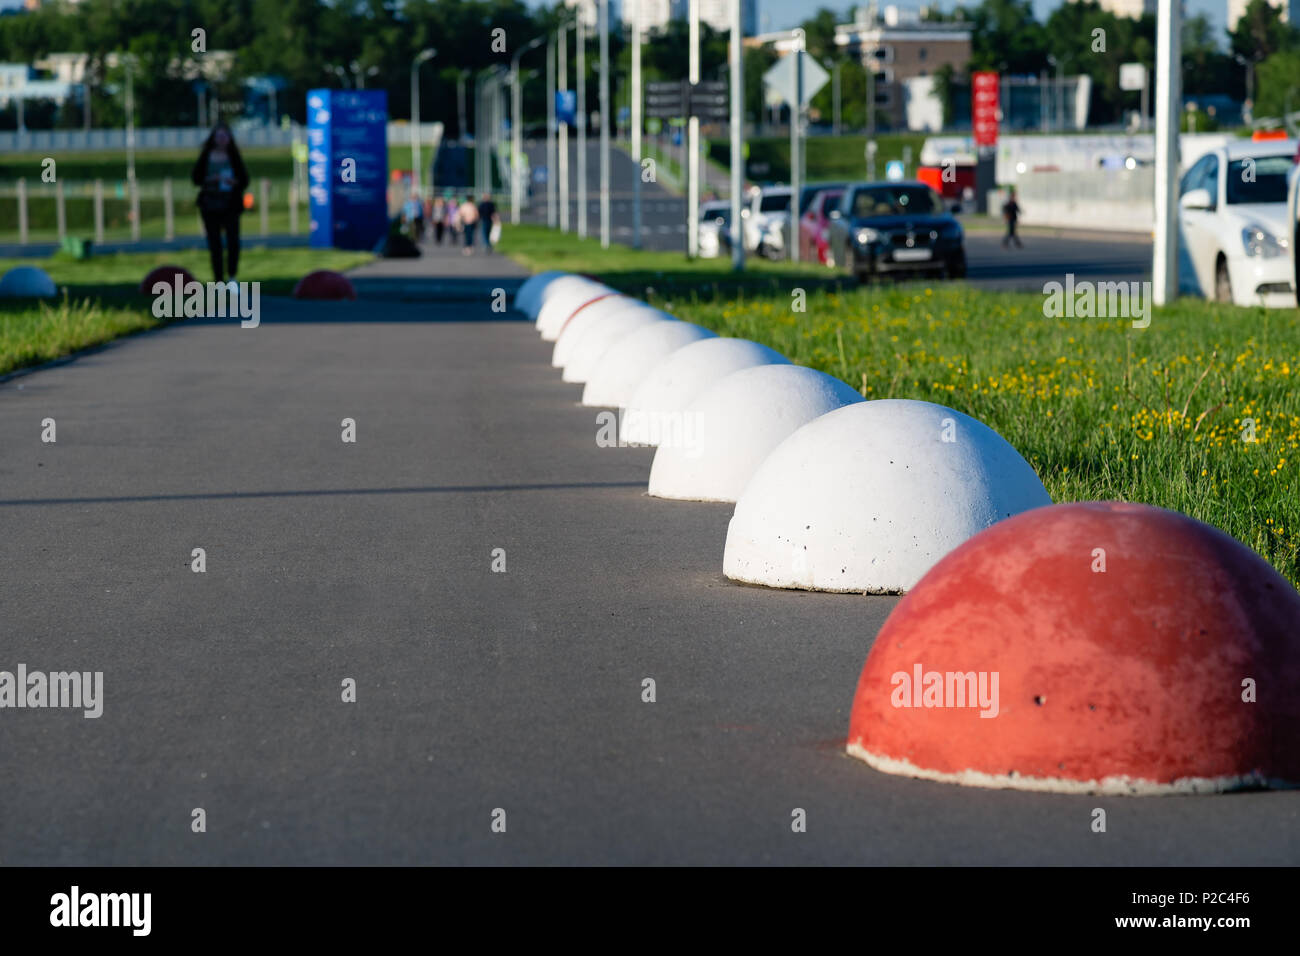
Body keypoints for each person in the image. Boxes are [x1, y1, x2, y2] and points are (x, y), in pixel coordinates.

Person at [191, 122, 250, 283]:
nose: (222, 139)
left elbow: (244, 180)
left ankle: (232, 276)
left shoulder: (233, 156)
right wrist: (211, 179)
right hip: (210, 204)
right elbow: (196, 178)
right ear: (214, 138)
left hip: (230, 203)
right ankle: (218, 279)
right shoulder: (206, 156)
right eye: (219, 136)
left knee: (233, 241)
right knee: (215, 243)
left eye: (225, 136)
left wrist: (233, 182)